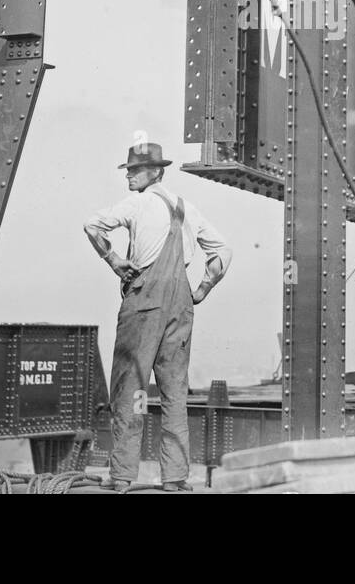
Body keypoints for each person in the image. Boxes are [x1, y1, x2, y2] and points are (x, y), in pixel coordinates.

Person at [83, 142, 232, 492]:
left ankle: (121, 477)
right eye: (129, 170)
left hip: (144, 304)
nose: (130, 176)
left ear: (156, 172)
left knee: (130, 389)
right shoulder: (186, 208)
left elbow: (92, 226)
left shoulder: (137, 203)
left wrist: (114, 261)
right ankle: (176, 479)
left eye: (135, 170)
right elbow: (223, 251)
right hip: (181, 304)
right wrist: (203, 289)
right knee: (174, 393)